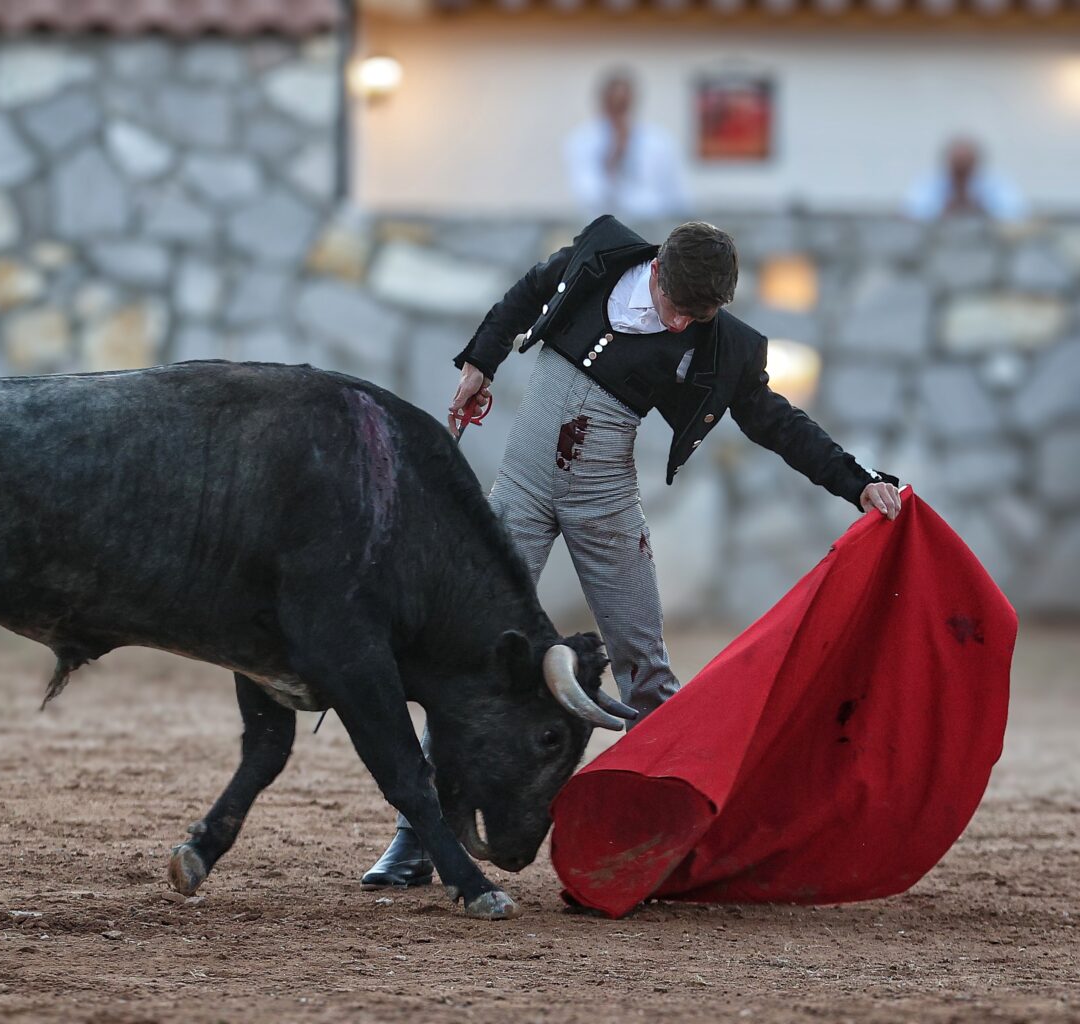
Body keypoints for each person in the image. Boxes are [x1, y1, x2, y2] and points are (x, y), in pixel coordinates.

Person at [361, 215, 903, 890]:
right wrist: (481, 360)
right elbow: (529, 291)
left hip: (605, 506)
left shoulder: (718, 343)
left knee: (645, 668)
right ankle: (416, 837)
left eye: (699, 315)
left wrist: (857, 482)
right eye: (678, 308)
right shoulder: (599, 258)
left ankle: (664, 840)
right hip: (519, 492)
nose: (682, 326)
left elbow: (773, 421)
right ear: (656, 275)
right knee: (467, 660)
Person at [564, 71, 688, 219]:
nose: (619, 111)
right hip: (606, 228)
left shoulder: (658, 140)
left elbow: (676, 192)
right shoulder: (582, 141)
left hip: (653, 225)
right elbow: (589, 195)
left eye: (623, 104)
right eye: (614, 104)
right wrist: (614, 157)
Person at [903, 136, 1027, 222]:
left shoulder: (995, 182)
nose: (962, 173)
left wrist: (981, 209)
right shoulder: (930, 182)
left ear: (975, 164)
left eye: (966, 167)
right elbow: (912, 212)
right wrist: (943, 210)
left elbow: (1015, 211)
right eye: (958, 167)